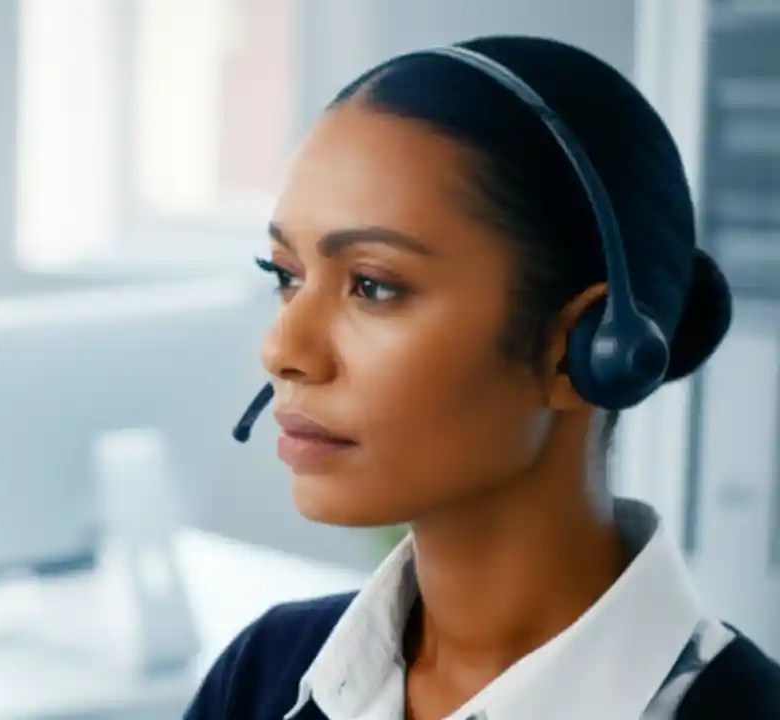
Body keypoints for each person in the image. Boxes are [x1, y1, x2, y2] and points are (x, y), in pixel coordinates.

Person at [187, 36, 780, 719]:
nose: (283, 349)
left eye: (373, 286)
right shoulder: (263, 676)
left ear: (583, 349)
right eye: (287, 277)